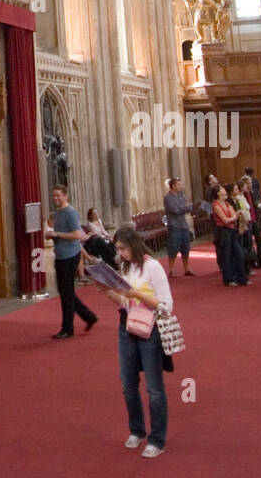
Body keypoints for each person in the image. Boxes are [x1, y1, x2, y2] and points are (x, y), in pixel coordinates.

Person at [93, 226, 173, 458]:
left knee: (154, 388)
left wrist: (136, 295)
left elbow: (167, 306)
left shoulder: (152, 266)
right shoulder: (125, 267)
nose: (120, 253)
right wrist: (108, 292)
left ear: (133, 245)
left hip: (150, 331)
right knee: (128, 384)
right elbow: (125, 304)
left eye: (122, 248)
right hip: (126, 327)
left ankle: (157, 439)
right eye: (117, 249)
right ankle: (136, 430)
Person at [45, 185, 97, 339]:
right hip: (60, 255)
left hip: (70, 256)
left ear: (65, 196)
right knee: (65, 292)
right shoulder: (59, 212)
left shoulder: (70, 212)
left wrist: (57, 234)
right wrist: (52, 235)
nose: (56, 198)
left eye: (59, 195)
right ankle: (89, 317)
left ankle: (68, 328)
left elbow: (77, 235)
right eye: (54, 196)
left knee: (66, 293)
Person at [212, 185, 248, 286]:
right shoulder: (216, 205)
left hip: (231, 230)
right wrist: (233, 217)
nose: (224, 190)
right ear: (218, 193)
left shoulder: (227, 204)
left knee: (238, 253)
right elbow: (225, 220)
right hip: (223, 232)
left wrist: (232, 218)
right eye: (222, 189)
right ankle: (228, 279)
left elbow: (233, 217)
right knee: (226, 255)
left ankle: (241, 277)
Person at [163, 178, 194, 277]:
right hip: (174, 226)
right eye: (179, 185)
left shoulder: (182, 196)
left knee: (186, 248)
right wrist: (184, 208)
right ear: (173, 186)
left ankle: (186, 268)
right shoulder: (168, 198)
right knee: (173, 248)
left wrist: (183, 208)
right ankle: (172, 269)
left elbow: (189, 207)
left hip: (183, 225)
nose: (181, 186)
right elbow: (175, 210)